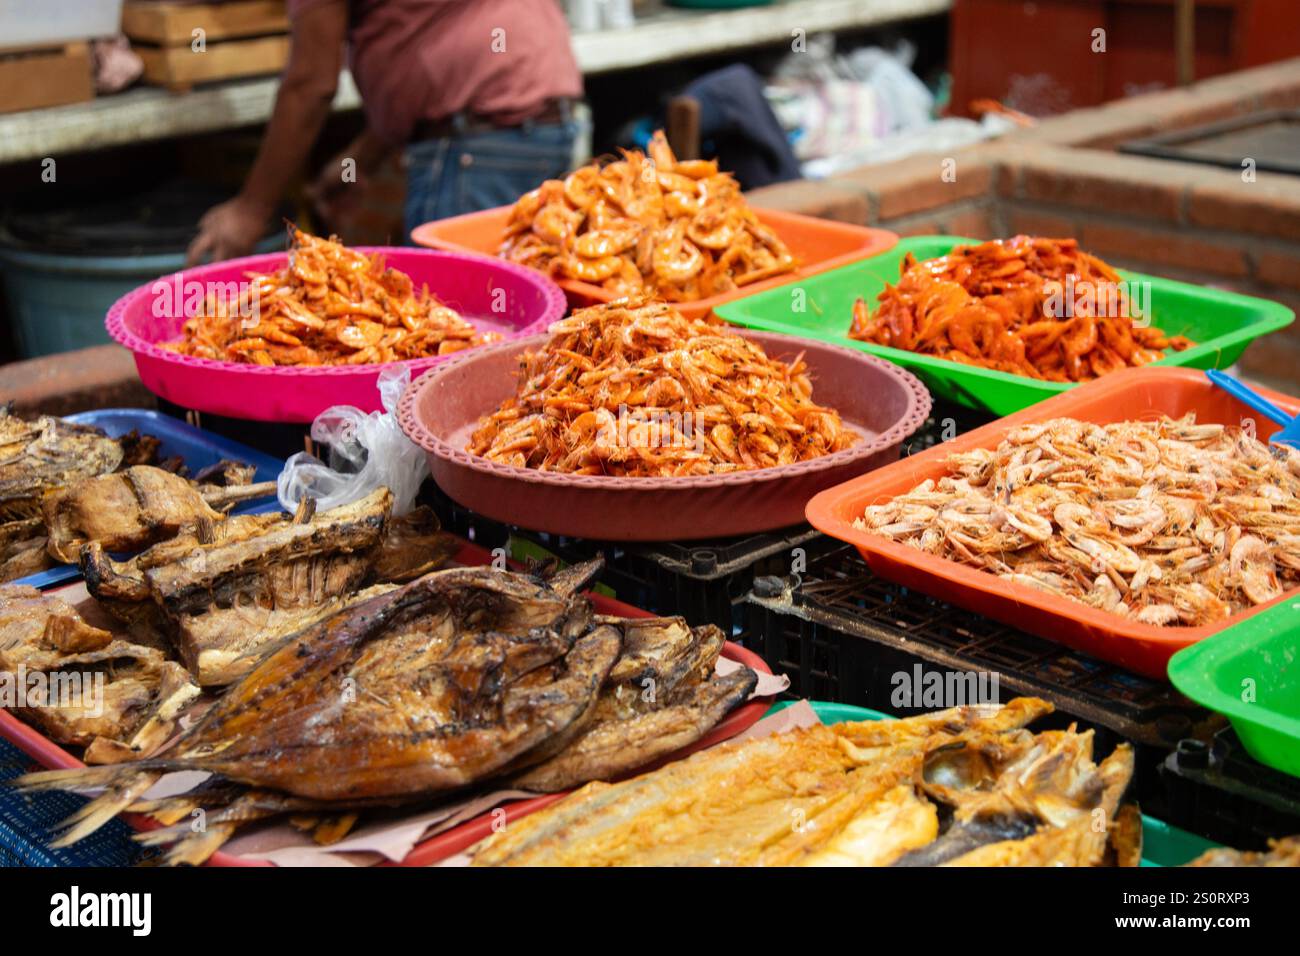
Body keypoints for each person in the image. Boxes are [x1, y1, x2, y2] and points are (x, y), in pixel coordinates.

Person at [186, 0, 584, 264]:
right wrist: (359, 160)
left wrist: (251, 210)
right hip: (539, 120)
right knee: (508, 310)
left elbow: (311, 84)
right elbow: (420, 29)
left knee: (455, 327)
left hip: (478, 142)